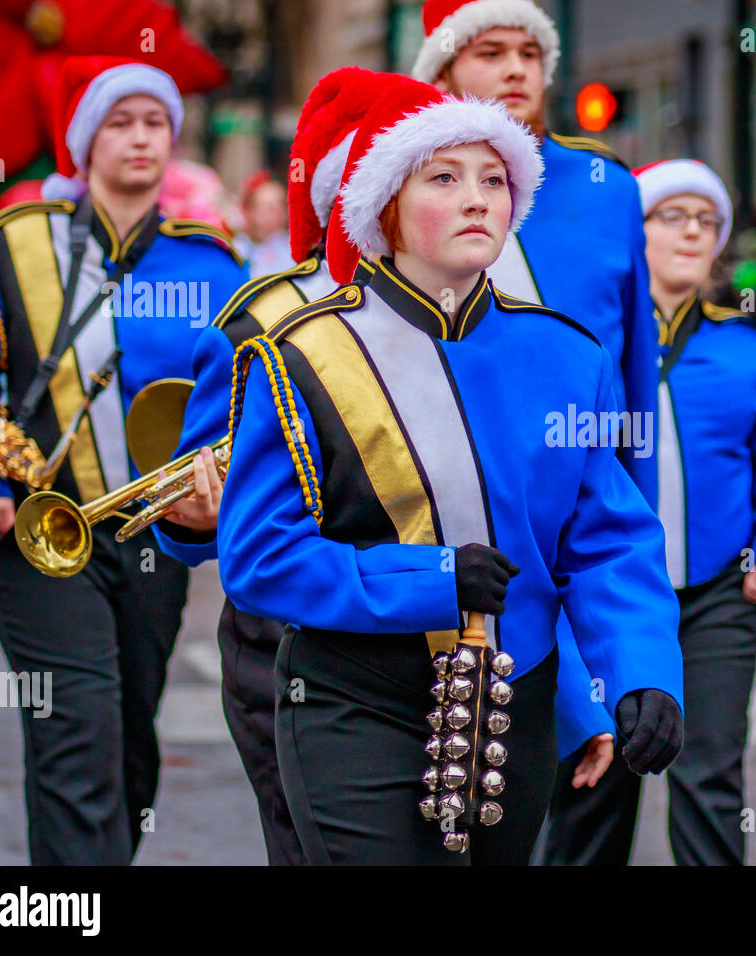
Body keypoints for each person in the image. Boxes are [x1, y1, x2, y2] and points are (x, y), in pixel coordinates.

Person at [215, 73, 685, 865]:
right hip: (355, 698)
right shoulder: (300, 353)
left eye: (495, 180)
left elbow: (606, 540)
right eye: (444, 177)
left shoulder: (567, 355)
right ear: (383, 206)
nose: (478, 199)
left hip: (515, 704)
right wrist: (431, 579)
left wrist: (639, 669)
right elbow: (260, 558)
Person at [0, 57, 247, 864]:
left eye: (156, 122)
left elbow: (238, 399)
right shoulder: (8, 248)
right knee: (74, 730)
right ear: (85, 142)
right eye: (121, 122)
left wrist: (213, 491)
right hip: (39, 533)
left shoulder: (212, 264)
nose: (141, 137)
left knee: (127, 742)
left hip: (154, 536)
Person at [411, 0, 658, 790]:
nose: (517, 69)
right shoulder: (412, 190)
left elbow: (634, 381)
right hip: (466, 524)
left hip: (587, 507)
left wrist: (639, 534)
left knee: (600, 800)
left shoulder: (607, 186)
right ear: (444, 71)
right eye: (489, 52)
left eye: (530, 51)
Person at [151, 66, 388, 866]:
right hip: (286, 647)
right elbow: (194, 507)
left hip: (440, 642)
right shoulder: (259, 316)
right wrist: (192, 515)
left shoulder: (477, 316)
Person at [544, 159, 756, 865]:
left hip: (717, 598)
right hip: (608, 598)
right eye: (672, 216)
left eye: (707, 220)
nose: (692, 231)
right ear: (637, 232)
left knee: (710, 781)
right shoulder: (586, 343)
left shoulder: (751, 353)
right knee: (594, 778)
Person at [233, 171, 295, 276]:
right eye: (269, 208)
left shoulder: (290, 249)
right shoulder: (238, 248)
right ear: (249, 210)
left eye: (281, 206)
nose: (278, 213)